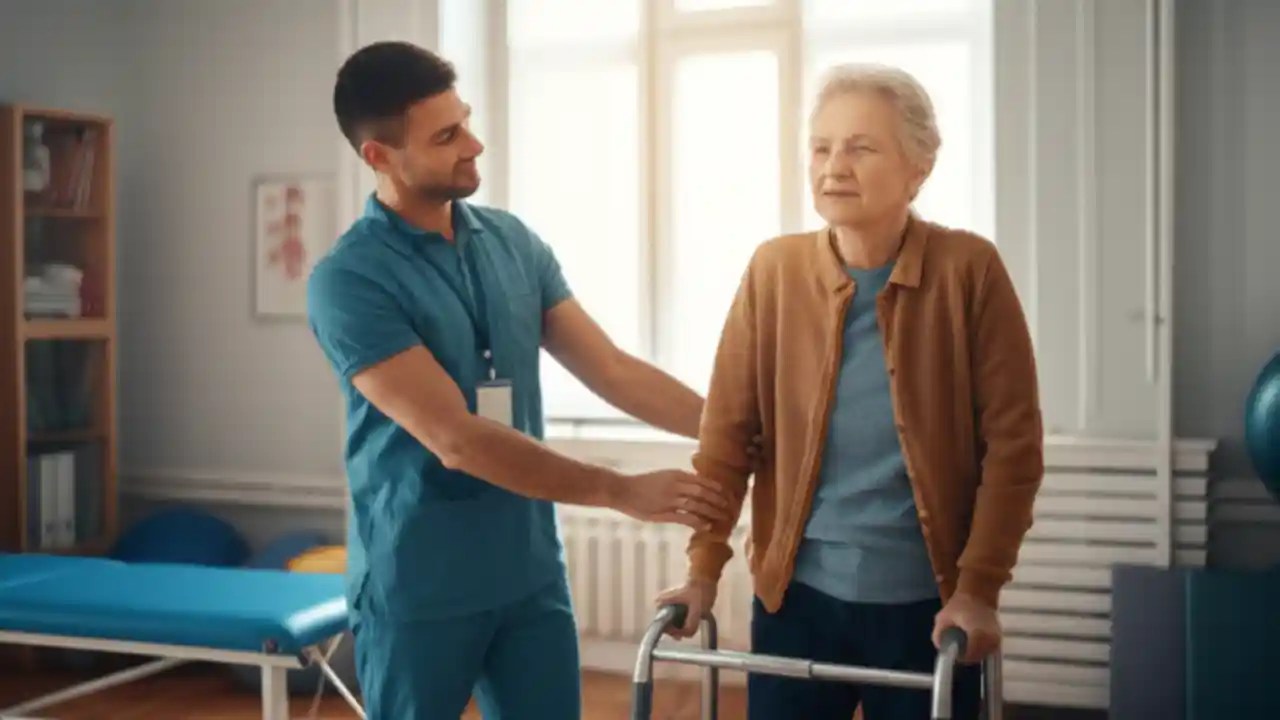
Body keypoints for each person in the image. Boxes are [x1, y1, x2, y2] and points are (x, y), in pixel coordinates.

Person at [307, 41, 742, 720]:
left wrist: (738, 431)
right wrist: (620, 490)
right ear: (379, 156)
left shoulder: (512, 242)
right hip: (420, 586)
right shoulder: (349, 279)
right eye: (446, 136)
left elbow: (612, 369)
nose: (473, 145)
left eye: (466, 121)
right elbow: (455, 438)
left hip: (528, 576)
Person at [655, 63, 1044, 720]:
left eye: (861, 148)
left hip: (927, 608)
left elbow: (1013, 450)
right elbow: (726, 439)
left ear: (919, 168)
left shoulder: (969, 270)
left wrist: (978, 590)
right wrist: (702, 571)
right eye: (821, 147)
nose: (835, 166)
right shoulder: (774, 271)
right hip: (795, 603)